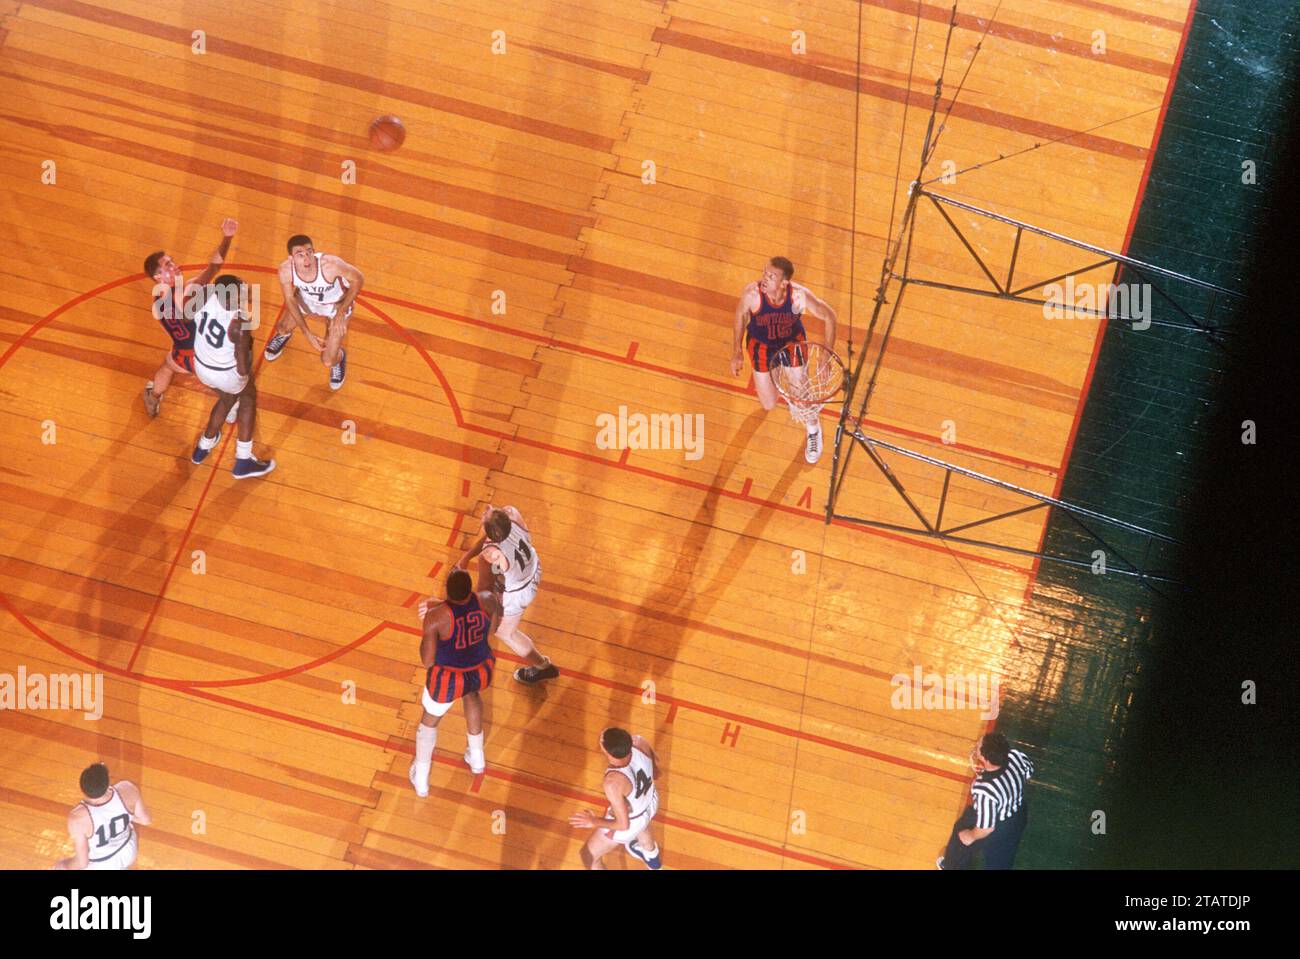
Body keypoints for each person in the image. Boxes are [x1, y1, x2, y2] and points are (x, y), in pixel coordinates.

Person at [730, 257, 838, 464]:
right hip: (762, 346)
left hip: (791, 344)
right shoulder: (753, 295)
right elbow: (740, 316)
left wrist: (826, 354)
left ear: (784, 283)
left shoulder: (798, 296)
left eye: (772, 276)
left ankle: (813, 429)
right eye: (765, 274)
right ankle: (777, 374)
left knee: (802, 398)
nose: (765, 279)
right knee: (769, 403)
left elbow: (830, 316)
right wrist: (736, 350)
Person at [409, 568, 504, 796]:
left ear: (447, 592)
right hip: (480, 669)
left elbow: (428, 659)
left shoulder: (436, 617)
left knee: (429, 722)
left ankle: (421, 778)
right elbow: (493, 628)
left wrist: (429, 627)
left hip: (449, 677)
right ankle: (477, 758)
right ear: (470, 587)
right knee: (472, 696)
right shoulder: (487, 600)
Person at [141, 217, 240, 422]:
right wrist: (227, 238)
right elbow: (213, 268)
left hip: (181, 351)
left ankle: (153, 397)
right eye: (168, 265)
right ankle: (231, 409)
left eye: (172, 261)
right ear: (159, 277)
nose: (175, 265)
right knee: (219, 380)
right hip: (201, 353)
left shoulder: (157, 299)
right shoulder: (187, 293)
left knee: (168, 366)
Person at [455, 505, 558, 686]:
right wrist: (465, 557)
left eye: (488, 513)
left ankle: (543, 667)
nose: (488, 508)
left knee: (504, 632)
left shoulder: (489, 556)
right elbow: (491, 538)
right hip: (533, 569)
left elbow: (484, 592)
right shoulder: (512, 513)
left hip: (519, 592)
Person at [189, 275, 276, 479]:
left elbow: (185, 317)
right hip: (224, 373)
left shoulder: (204, 296)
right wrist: (248, 352)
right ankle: (243, 461)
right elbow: (243, 369)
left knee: (227, 398)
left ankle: (203, 447)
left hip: (201, 366)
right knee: (247, 397)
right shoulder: (238, 322)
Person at [263, 235, 364, 391]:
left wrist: (341, 312)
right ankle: (284, 335)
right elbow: (290, 299)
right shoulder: (285, 270)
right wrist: (307, 334)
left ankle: (339, 357)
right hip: (306, 301)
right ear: (291, 258)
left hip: (334, 306)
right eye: (300, 255)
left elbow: (358, 279)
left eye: (309, 252)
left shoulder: (330, 265)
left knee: (328, 360)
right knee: (282, 327)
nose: (307, 258)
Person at [569, 727, 663, 870]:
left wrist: (593, 821)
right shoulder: (639, 742)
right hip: (651, 801)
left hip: (631, 822)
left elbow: (623, 825)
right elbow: (656, 772)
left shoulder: (613, 782)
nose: (601, 735)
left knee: (588, 856)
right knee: (643, 824)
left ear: (606, 751)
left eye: (602, 738)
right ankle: (653, 861)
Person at [937, 732, 1033, 870]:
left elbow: (986, 828)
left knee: (961, 834)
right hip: (1018, 815)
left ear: (986, 759)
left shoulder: (984, 789)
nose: (976, 746)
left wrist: (970, 836)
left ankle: (950, 866)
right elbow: (1029, 769)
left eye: (978, 747)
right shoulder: (1015, 756)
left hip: (998, 827)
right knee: (1001, 861)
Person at [53, 763, 151, 870]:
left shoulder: (78, 817)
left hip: (102, 864)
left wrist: (64, 865)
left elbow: (82, 863)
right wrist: (126, 817)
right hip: (128, 850)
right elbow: (145, 820)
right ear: (107, 780)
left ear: (83, 788)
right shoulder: (127, 789)